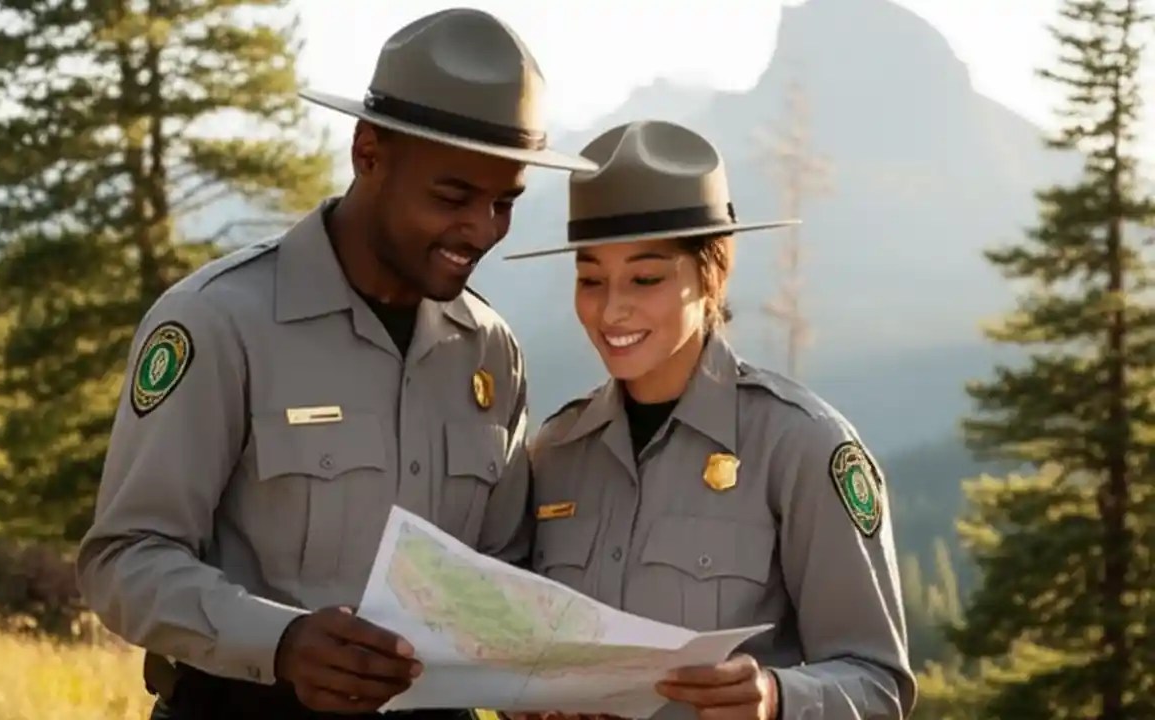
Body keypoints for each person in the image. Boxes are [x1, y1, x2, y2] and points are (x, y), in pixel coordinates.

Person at [75, 9, 596, 720]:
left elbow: (501, 574)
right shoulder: (219, 322)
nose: (481, 230)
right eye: (453, 197)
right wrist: (281, 642)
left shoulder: (492, 354)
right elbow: (124, 560)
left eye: (505, 202)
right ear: (368, 152)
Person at [502, 120, 916, 720]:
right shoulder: (558, 451)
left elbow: (879, 686)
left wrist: (776, 699)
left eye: (646, 278)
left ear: (710, 274)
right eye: (590, 279)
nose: (611, 308)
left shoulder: (802, 446)